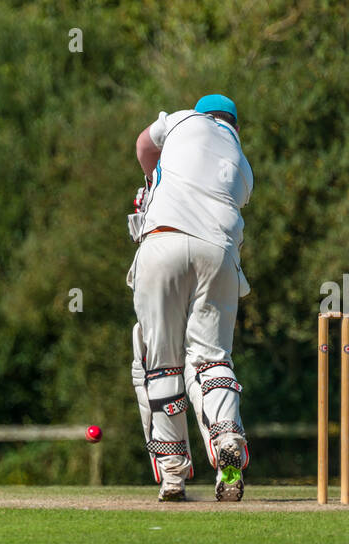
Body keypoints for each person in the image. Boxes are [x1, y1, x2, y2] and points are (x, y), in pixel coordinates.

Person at [126, 94, 253, 502]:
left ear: (202, 114)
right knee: (211, 357)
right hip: (217, 252)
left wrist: (151, 180)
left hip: (162, 240)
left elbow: (144, 145)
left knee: (160, 363)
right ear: (235, 126)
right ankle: (227, 442)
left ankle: (172, 473)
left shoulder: (182, 120)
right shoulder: (243, 166)